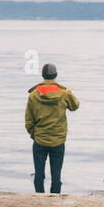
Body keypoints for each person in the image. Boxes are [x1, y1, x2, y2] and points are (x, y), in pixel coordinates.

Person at [24, 63, 79, 194]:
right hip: (58, 141)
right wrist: (70, 93)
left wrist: (35, 134)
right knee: (56, 175)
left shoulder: (33, 95)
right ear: (55, 75)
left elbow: (28, 121)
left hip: (40, 140)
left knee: (38, 174)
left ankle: (39, 199)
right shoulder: (64, 94)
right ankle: (55, 200)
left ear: (43, 75)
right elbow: (75, 106)